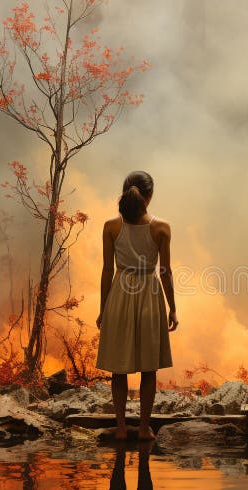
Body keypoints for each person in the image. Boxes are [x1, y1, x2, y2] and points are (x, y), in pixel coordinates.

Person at [96, 170, 179, 441]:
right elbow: (165, 272)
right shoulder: (161, 227)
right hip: (149, 294)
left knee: (118, 368)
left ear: (125, 193)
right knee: (148, 367)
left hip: (120, 293)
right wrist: (173, 307)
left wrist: (103, 309)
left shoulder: (111, 226)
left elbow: (107, 270)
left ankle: (121, 428)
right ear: (149, 196)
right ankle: (144, 429)